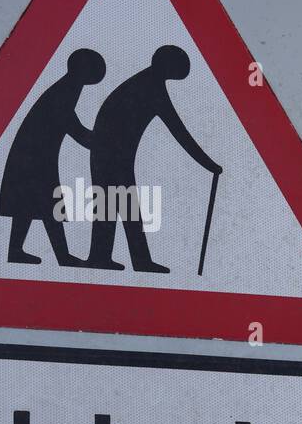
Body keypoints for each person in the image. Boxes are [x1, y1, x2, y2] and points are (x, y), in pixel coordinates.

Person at [87, 45, 221, 273]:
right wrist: (209, 164)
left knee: (118, 208)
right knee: (117, 208)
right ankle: (123, 260)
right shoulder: (150, 87)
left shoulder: (146, 83)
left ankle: (110, 258)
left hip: (112, 154)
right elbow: (179, 131)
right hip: (111, 155)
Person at [0, 48, 106, 266]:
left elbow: (71, 122)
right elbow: (71, 124)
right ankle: (58, 256)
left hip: (35, 154)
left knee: (31, 205)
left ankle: (21, 251)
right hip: (34, 156)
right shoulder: (65, 90)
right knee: (45, 205)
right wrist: (101, 143)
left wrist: (93, 139)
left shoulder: (69, 87)